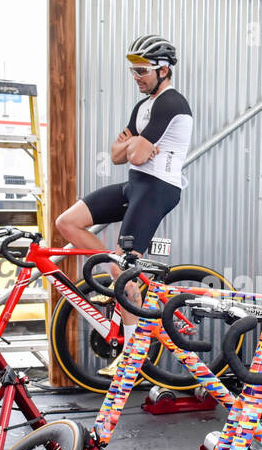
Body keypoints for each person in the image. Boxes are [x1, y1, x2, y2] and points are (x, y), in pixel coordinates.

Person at [54, 35, 192, 362]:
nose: (136, 77)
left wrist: (133, 146)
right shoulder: (143, 105)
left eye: (142, 70)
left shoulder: (172, 102)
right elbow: (119, 156)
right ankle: (118, 267)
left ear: (164, 69)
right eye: (133, 70)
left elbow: (138, 153)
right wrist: (133, 147)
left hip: (159, 187)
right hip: (135, 184)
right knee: (68, 222)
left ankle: (134, 354)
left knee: (122, 270)